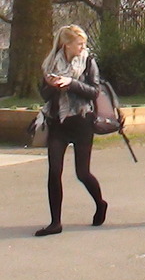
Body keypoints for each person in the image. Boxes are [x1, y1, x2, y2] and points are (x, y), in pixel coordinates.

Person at [35, 24, 107, 236]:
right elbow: (45, 96)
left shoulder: (88, 62)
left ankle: (100, 203)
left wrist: (71, 83)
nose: (83, 47)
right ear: (66, 44)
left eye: (84, 43)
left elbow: (94, 92)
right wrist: (51, 85)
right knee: (54, 171)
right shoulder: (50, 63)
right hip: (58, 121)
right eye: (79, 43)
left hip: (82, 121)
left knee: (82, 172)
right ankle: (55, 222)